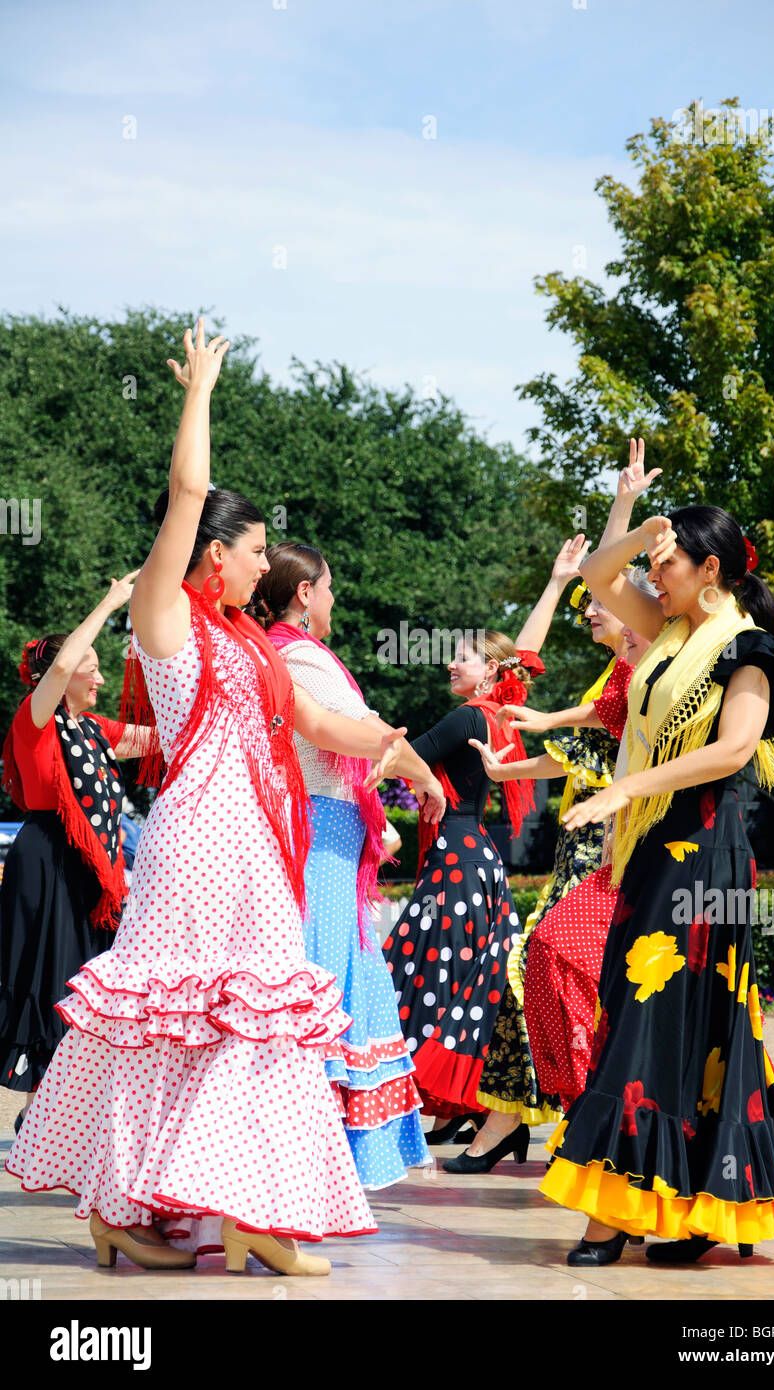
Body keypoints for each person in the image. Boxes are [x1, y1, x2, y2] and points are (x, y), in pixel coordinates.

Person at [7, 319, 406, 1277]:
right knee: (172, 1020)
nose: (267, 564)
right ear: (212, 554)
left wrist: (398, 745)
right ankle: (151, 1207)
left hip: (251, 852)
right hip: (195, 846)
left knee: (252, 1021)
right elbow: (186, 490)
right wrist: (199, 393)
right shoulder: (166, 615)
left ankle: (232, 1209)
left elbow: (316, 720)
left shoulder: (247, 643)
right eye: (256, 547)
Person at [539, 481, 774, 1265]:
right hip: (650, 846)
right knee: (644, 1009)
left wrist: (627, 785)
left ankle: (631, 1211)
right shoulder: (669, 633)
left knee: (671, 1014)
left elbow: (735, 749)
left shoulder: (747, 651)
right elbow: (597, 580)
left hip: (705, 847)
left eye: (668, 565)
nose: (653, 579)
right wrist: (640, 532)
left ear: (709, 571)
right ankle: (680, 1204)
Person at [456, 446, 663, 1163]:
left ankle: (595, 1114)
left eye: (602, 607)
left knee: (570, 968)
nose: (593, 613)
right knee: (550, 961)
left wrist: (624, 512)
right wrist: (534, 734)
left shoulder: (660, 650)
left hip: (639, 837)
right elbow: (587, 720)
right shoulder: (623, 670)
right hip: (608, 839)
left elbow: (602, 575)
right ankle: (581, 1110)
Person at [251, 542, 445, 1189]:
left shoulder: (276, 650)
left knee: (348, 980)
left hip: (324, 837)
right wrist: (426, 781)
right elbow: (363, 729)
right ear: (304, 593)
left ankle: (320, 1158)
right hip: (321, 842)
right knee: (328, 983)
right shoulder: (300, 653)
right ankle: (310, 1156)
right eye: (328, 587)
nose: (333, 600)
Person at [382, 630, 540, 1160]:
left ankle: (447, 1103)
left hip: (455, 863)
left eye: (465, 658)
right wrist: (559, 582)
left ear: (492, 671)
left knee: (420, 977)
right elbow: (524, 653)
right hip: (473, 860)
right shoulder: (499, 714)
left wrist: (355, 728)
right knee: (457, 984)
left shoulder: (470, 717)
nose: (451, 663)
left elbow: (404, 752)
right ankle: (472, 1109)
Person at [0, 578, 143, 1130]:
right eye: (94, 667)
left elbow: (154, 740)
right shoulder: (36, 720)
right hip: (49, 861)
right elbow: (58, 671)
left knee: (85, 981)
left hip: (88, 873)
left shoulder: (90, 729)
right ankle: (49, 1109)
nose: (101, 677)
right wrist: (109, 604)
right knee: (56, 980)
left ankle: (52, 1109)